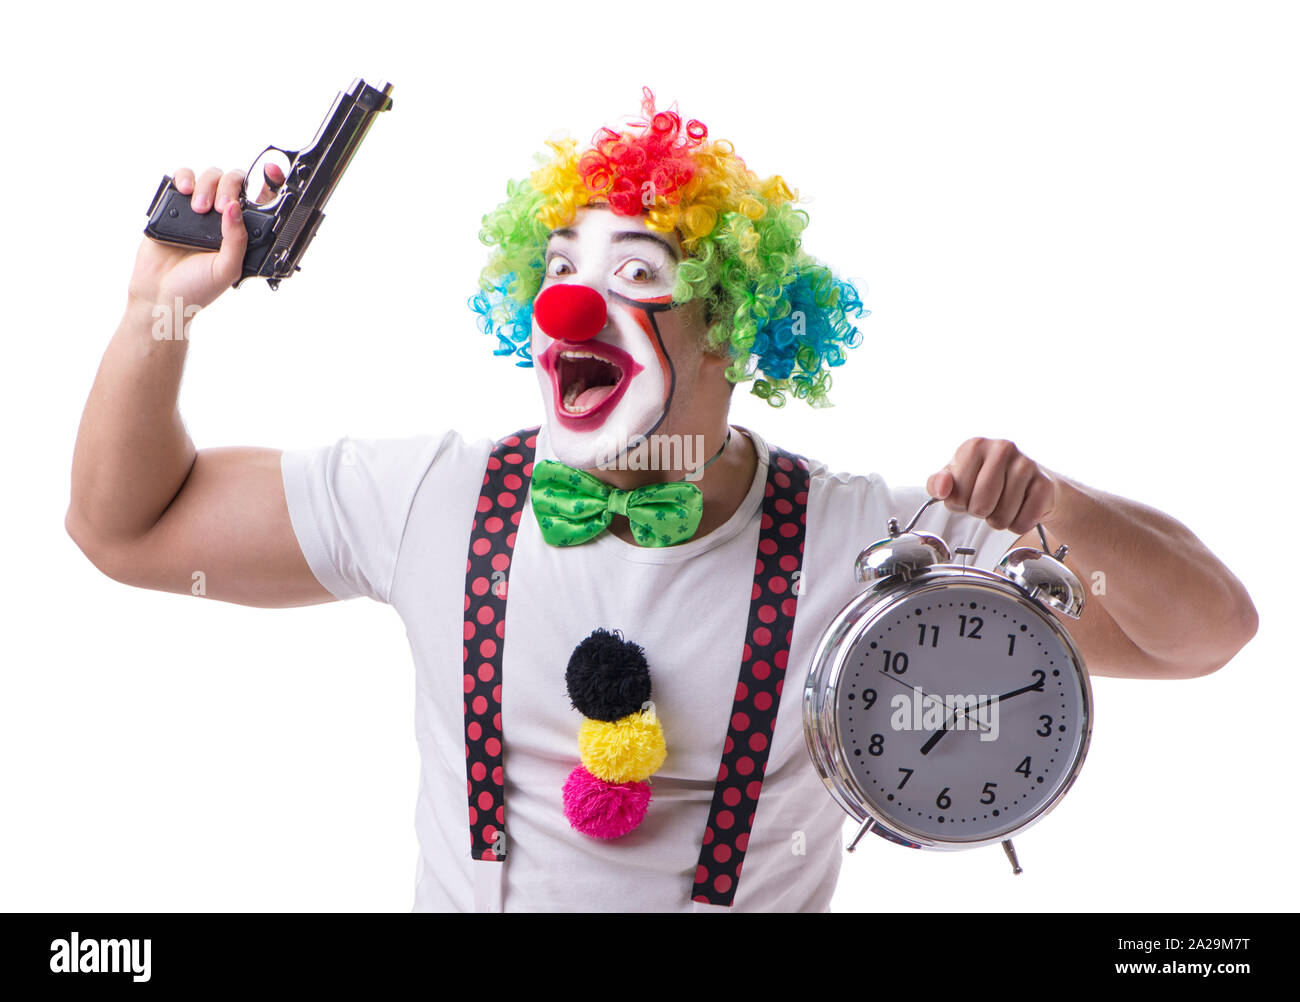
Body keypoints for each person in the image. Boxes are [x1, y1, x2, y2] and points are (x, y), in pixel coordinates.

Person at [66, 88, 1258, 912]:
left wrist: (1055, 504)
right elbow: (130, 528)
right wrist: (156, 311)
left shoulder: (872, 548)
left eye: (637, 276)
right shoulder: (433, 497)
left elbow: (1203, 634)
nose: (575, 307)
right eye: (562, 272)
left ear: (733, 326)